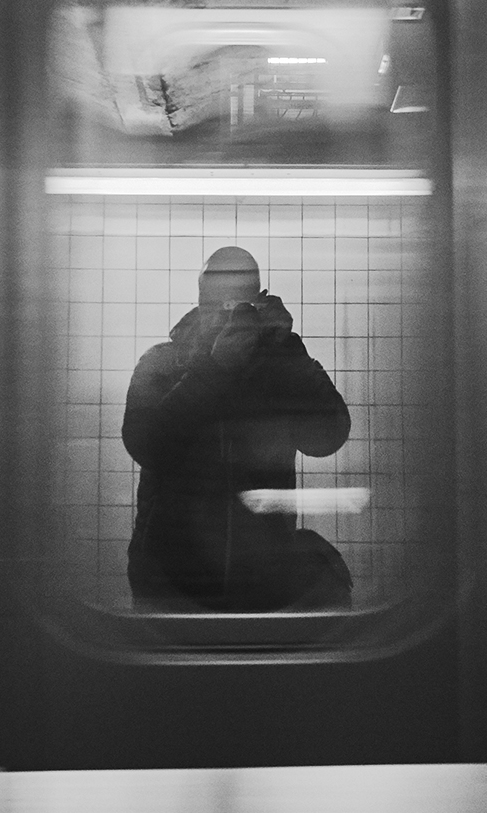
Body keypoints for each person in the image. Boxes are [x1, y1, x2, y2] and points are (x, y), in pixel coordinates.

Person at [121, 246, 353, 610]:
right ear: (199, 303)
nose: (226, 317)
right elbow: (145, 445)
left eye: (239, 305)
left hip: (262, 581)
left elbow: (328, 436)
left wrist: (289, 350)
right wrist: (213, 370)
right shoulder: (162, 363)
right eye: (218, 305)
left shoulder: (277, 366)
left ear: (259, 304)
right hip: (170, 581)